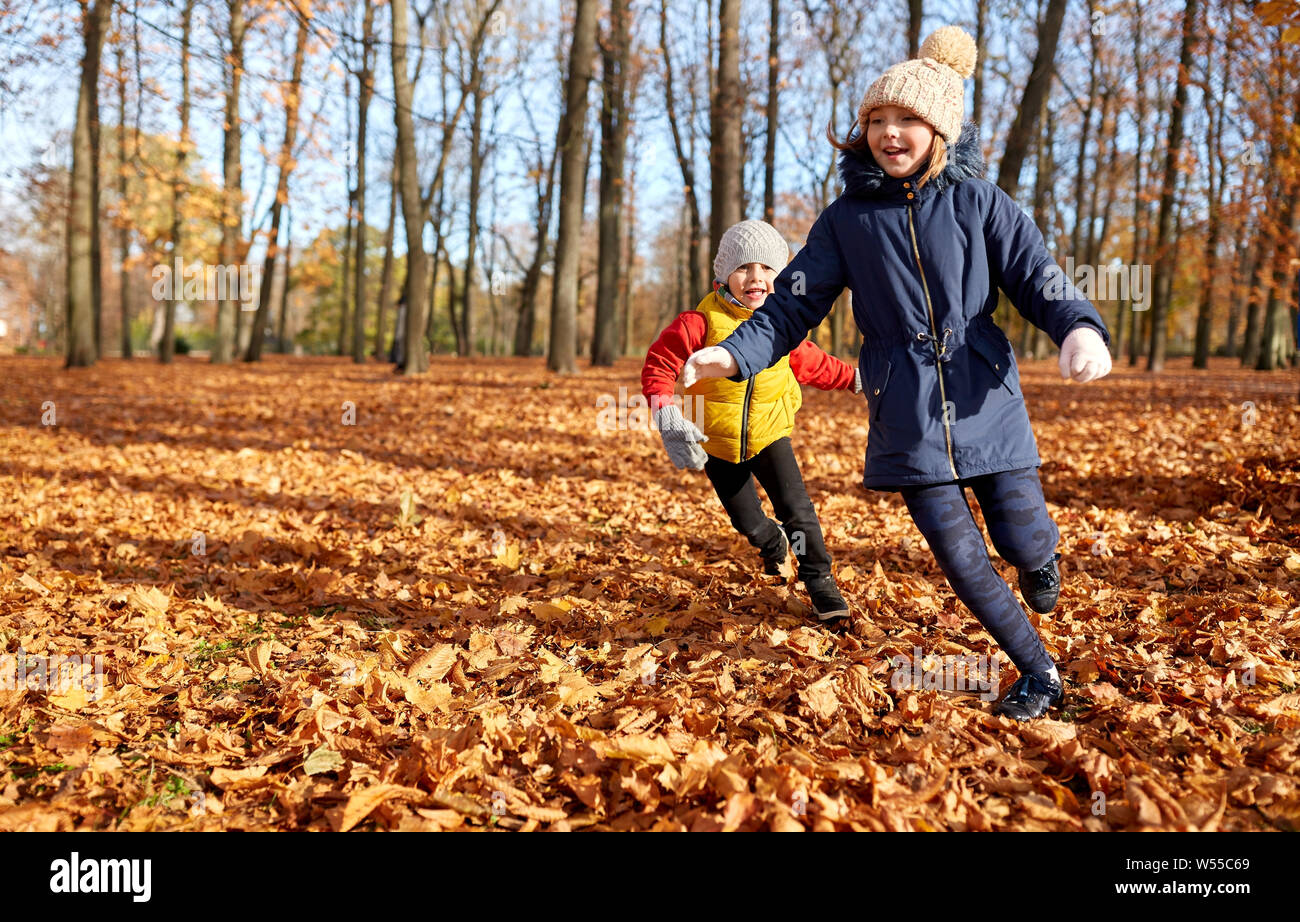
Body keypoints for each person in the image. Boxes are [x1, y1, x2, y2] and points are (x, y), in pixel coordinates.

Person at [680, 28, 1114, 719]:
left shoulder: (980, 203)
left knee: (1020, 535)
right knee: (962, 559)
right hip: (905, 413)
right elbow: (792, 306)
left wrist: (1080, 328)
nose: (888, 134)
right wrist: (735, 353)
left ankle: (1039, 558)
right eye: (876, 121)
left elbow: (1038, 276)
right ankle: (1039, 673)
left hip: (985, 398)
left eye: (906, 120)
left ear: (939, 128)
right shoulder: (847, 220)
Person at [642, 219, 862, 622]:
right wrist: (666, 411)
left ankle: (820, 583)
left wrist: (854, 379)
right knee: (746, 519)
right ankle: (771, 543)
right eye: (743, 267)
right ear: (724, 274)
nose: (755, 276)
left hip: (769, 435)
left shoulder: (782, 330)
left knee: (798, 512)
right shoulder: (699, 323)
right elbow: (659, 365)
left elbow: (816, 365)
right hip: (716, 442)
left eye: (766, 268)